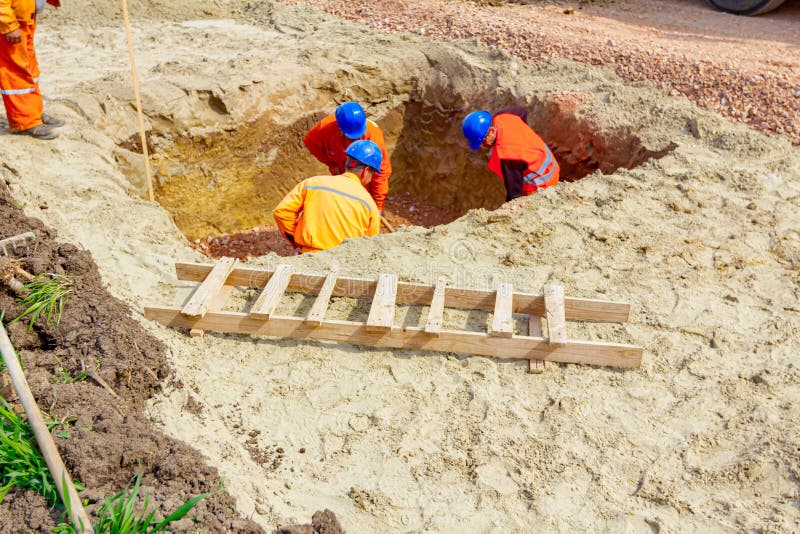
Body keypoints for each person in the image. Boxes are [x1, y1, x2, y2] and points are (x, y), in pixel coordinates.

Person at [274, 140, 382, 254]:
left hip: (309, 256)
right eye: (373, 174)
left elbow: (282, 212)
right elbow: (370, 245)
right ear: (365, 171)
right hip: (345, 262)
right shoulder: (369, 204)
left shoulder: (312, 183)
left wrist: (295, 238)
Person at [304, 101, 392, 212]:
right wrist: (330, 163)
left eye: (358, 136)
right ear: (339, 127)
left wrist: (378, 205)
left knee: (365, 202)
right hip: (342, 172)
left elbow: (381, 173)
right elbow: (310, 142)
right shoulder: (325, 128)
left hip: (365, 177)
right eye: (351, 137)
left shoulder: (372, 135)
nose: (355, 140)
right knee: (347, 200)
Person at [462, 107, 560, 202]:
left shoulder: (508, 154)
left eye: (483, 141)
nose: (482, 146)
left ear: (491, 131)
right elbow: (521, 111)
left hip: (543, 183)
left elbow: (514, 192)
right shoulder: (504, 116)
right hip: (550, 163)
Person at [0, 0, 64, 140]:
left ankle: (33, 112)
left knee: (30, 69)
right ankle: (25, 121)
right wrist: (9, 26)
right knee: (16, 72)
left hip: (25, 17)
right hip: (11, 22)